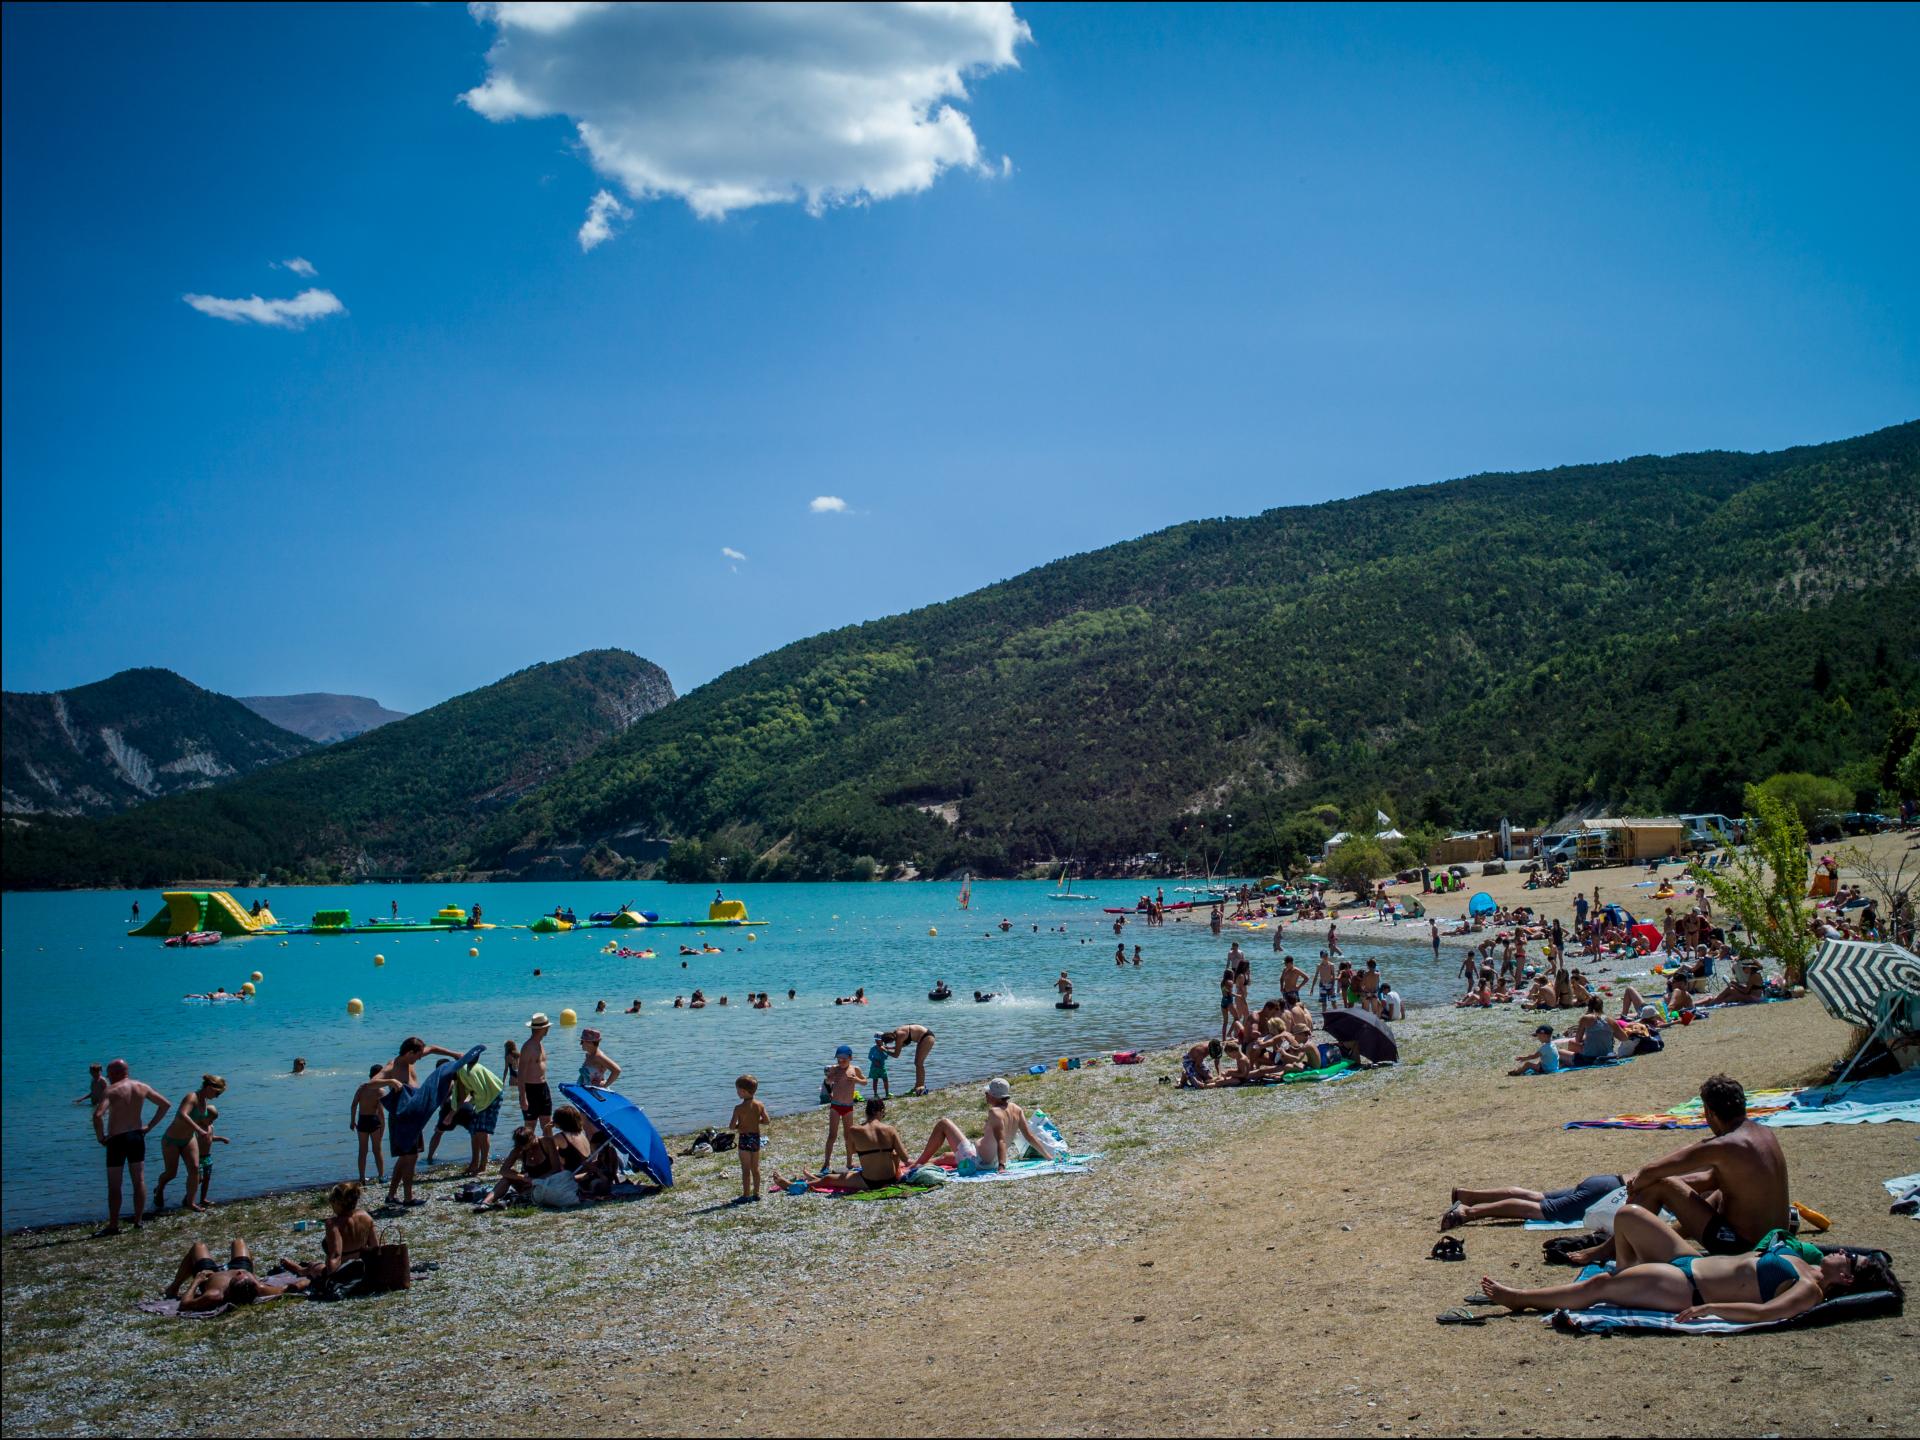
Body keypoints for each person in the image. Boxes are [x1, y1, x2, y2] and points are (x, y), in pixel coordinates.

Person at [1478, 1203, 1894, 1323]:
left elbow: (1765, 1313)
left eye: (1850, 1259)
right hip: (1690, 1262)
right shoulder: (1810, 1261)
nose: (1844, 1253)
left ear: (1845, 1278)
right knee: (1629, 1216)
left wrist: (1712, 1308)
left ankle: (1521, 1299)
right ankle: (1628, 1277)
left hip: (1688, 1288)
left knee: (1598, 1289)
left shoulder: (1808, 1290)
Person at [1570, 1074, 1791, 1268]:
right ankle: (1666, 1236)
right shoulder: (1764, 1134)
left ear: (1710, 1112)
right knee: (1711, 1193)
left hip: (1744, 1248)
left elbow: (1650, 1171)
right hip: (1777, 1242)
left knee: (1662, 1183)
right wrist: (1661, 1186)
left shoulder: (1724, 1145)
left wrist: (1640, 1186)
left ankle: (1611, 1249)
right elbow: (1711, 1179)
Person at [380, 1036, 485, 1207]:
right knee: (410, 1157)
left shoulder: (412, 1059)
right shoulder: (392, 1066)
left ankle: (391, 1196)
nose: (419, 1059)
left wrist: (454, 1054)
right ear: (409, 1052)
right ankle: (408, 1198)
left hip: (415, 1116)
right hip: (402, 1118)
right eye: (418, 1056)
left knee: (405, 1157)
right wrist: (390, 1081)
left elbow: (433, 1048)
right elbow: (370, 1083)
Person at [909, 1077, 1055, 1176]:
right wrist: (1048, 1157)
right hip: (988, 1161)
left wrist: (1002, 1167)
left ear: (994, 1095)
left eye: (988, 1092)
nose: (986, 1094)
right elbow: (1029, 1136)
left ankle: (917, 1164)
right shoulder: (1017, 1109)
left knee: (944, 1123)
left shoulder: (995, 1112)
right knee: (946, 1156)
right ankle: (917, 1162)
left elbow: (1001, 1140)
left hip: (978, 1161)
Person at [93, 1059, 169, 1236]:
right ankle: (138, 1221)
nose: (108, 1077)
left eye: (109, 1074)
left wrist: (101, 1137)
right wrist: (149, 1126)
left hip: (116, 1139)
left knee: (115, 1184)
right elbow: (165, 1105)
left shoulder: (111, 1090)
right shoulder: (141, 1086)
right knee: (139, 1180)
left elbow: (97, 1115)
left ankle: (113, 1225)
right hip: (136, 1136)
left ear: (116, 1073)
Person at [773, 1098, 909, 1194]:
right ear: (881, 1111)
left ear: (866, 1112)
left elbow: (852, 1150)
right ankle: (814, 1179)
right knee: (845, 1175)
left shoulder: (855, 1130)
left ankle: (793, 1186)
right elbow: (905, 1158)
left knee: (829, 1179)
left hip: (870, 1181)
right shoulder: (890, 1130)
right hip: (891, 1178)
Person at [1440, 1172, 1624, 1229]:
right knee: (1540, 1209)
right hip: (1610, 1194)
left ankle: (1470, 1197)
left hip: (1609, 1181)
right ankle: (1467, 1213)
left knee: (1538, 1197)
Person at [165, 1238, 307, 1311]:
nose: (240, 1273)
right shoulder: (259, 1288)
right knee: (239, 1242)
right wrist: (310, 1278)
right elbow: (291, 1288)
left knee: (198, 1246)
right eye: (244, 1275)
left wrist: (196, 1281)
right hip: (239, 1267)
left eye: (239, 1275)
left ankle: (173, 1288)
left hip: (209, 1274)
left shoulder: (215, 1294)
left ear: (229, 1288)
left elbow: (185, 1304)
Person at [153, 1074, 226, 1213]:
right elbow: (182, 1114)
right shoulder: (192, 1097)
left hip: (188, 1139)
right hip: (172, 1140)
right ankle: (160, 1188)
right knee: (171, 1173)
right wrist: (198, 1129)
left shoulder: (204, 1101)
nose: (217, 1097)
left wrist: (210, 1132)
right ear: (210, 1088)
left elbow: (203, 1119)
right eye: (217, 1093)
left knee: (195, 1169)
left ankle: (190, 1202)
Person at [278, 1180, 379, 1280]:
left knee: (313, 1267)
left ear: (337, 1203)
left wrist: (330, 1278)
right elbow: (375, 1247)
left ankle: (299, 1269)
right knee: (314, 1265)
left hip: (342, 1271)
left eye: (331, 1202)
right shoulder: (366, 1217)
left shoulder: (333, 1224)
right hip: (362, 1267)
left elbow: (336, 1255)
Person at [821, 1044, 867, 1171]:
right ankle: (826, 1163)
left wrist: (857, 1080)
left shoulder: (855, 1069)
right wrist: (830, 1078)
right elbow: (827, 1081)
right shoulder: (834, 1069)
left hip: (848, 1107)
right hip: (835, 1106)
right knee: (832, 1135)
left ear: (850, 1058)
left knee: (848, 1136)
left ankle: (849, 1163)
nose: (841, 1062)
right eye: (839, 1060)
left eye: (844, 1060)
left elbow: (865, 1082)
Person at [731, 1075, 770, 1202]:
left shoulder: (738, 1108)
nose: (737, 1092)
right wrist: (756, 1121)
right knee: (755, 1168)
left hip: (744, 1138)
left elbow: (732, 1126)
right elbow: (766, 1121)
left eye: (737, 1090)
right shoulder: (759, 1105)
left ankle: (746, 1195)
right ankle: (756, 1193)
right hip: (755, 1138)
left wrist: (740, 1125)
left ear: (743, 1091)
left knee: (745, 1169)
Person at [877, 1023, 936, 1096]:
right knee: (917, 1063)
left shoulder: (899, 1036)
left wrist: (885, 1050)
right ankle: (917, 1086)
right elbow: (905, 1044)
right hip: (924, 1037)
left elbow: (896, 1055)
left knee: (919, 1063)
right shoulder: (896, 1033)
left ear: (890, 1040)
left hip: (927, 1037)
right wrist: (890, 1048)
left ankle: (921, 1087)